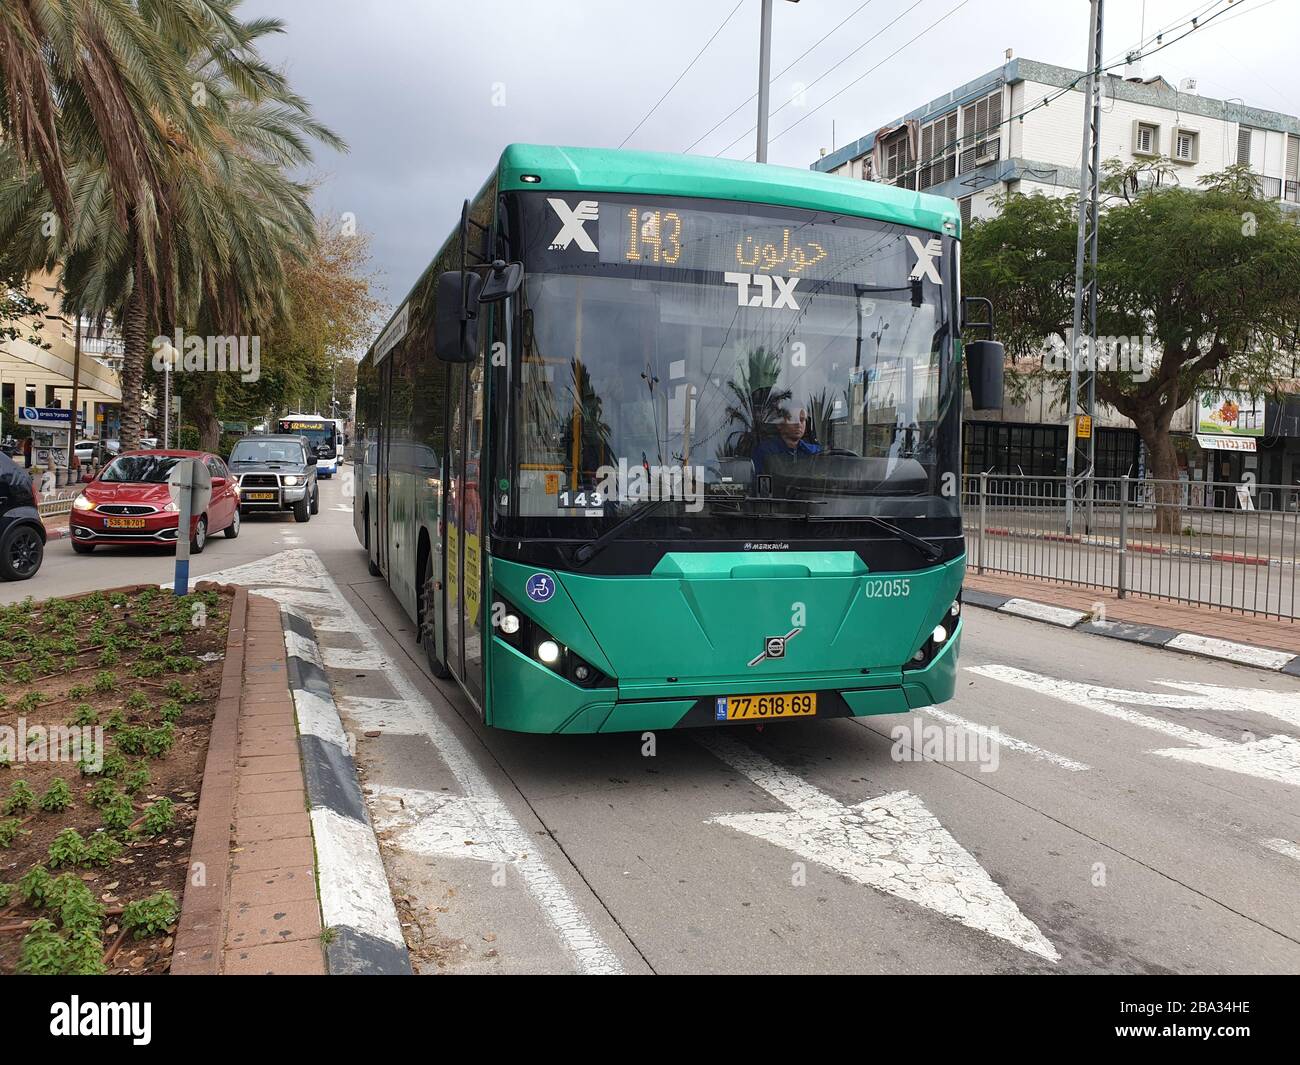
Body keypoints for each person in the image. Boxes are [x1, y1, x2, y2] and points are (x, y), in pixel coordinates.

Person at [752, 407, 821, 473]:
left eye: (802, 420)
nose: (799, 424)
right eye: (793, 419)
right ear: (779, 424)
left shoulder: (815, 452)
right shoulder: (765, 451)